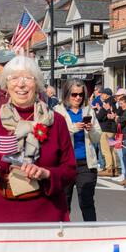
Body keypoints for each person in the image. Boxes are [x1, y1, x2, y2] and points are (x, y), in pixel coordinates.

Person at [0, 55, 74, 223]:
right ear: (6, 85)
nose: (21, 84)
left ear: (37, 84)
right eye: (14, 78)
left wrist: (46, 173)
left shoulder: (57, 121)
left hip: (46, 215)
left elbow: (69, 170)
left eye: (27, 78)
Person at [54, 80, 100, 221]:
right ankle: (64, 236)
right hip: (65, 163)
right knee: (64, 202)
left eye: (81, 95)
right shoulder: (58, 111)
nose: (78, 98)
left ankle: (92, 234)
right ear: (67, 94)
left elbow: (98, 137)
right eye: (74, 94)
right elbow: (55, 137)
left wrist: (91, 129)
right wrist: (73, 128)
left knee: (87, 201)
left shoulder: (88, 110)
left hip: (86, 163)